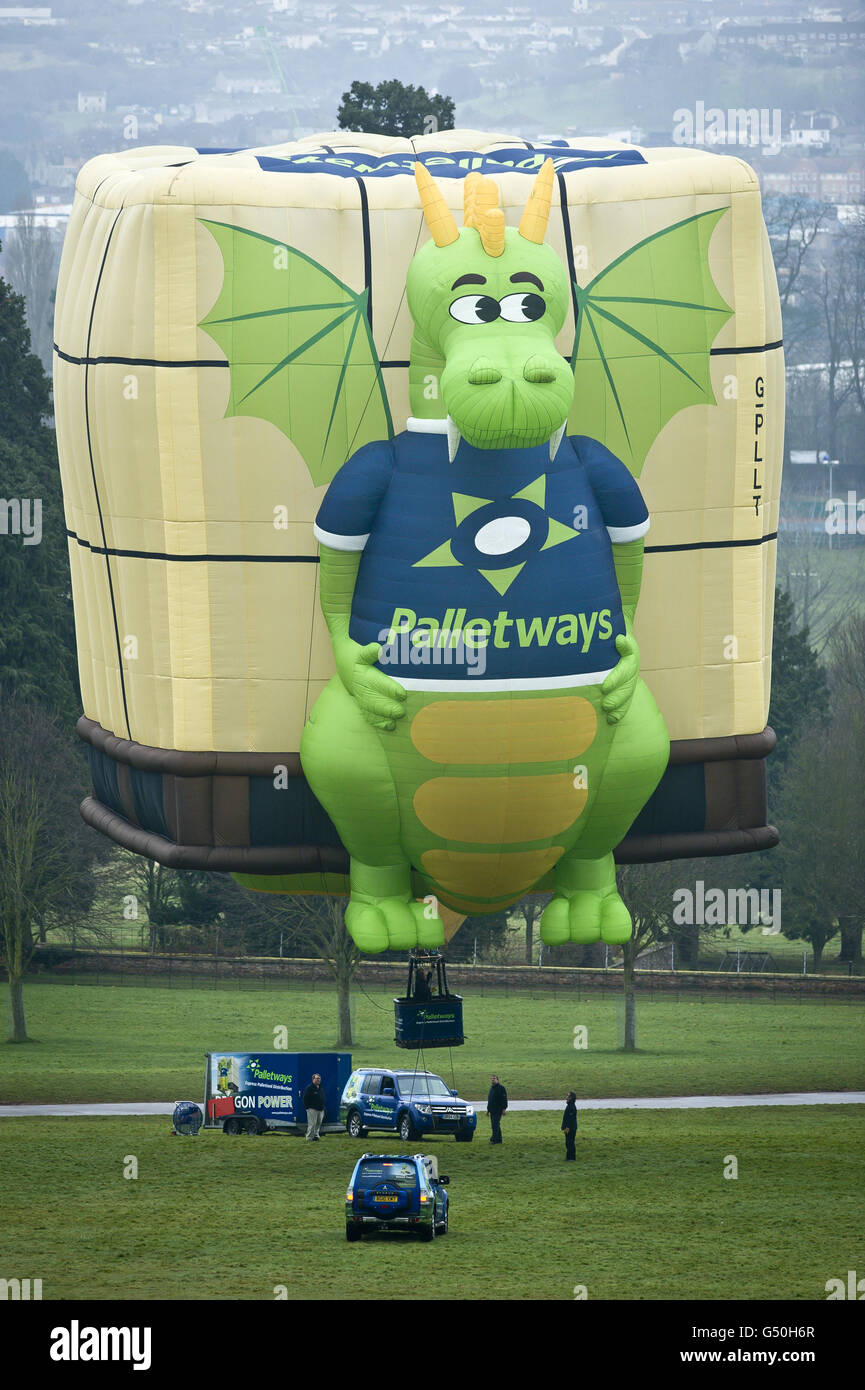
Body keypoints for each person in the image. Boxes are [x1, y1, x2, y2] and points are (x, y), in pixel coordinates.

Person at [303, 1073, 326, 1141]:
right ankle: (309, 1138)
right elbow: (305, 1098)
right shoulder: (309, 1088)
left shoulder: (320, 1088)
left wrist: (323, 1107)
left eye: (319, 1078)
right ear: (313, 1079)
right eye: (317, 1078)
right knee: (312, 1124)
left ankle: (316, 1136)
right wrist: (307, 1108)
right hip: (312, 1109)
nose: (318, 1080)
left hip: (321, 1109)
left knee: (318, 1124)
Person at [487, 1074, 508, 1145]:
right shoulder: (492, 1089)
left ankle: (494, 1140)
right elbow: (490, 1100)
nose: (492, 1080)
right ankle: (499, 1140)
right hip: (492, 1110)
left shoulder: (501, 1088)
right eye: (492, 1079)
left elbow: (504, 1099)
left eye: (494, 1078)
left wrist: (504, 1109)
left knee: (495, 1125)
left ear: (497, 1080)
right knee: (496, 1125)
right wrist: (488, 1110)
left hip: (498, 1110)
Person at [561, 1091, 578, 1161]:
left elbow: (570, 1119)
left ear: (571, 1098)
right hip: (569, 1128)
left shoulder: (572, 1107)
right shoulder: (569, 1105)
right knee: (568, 1143)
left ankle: (571, 1158)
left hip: (571, 1128)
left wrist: (567, 1127)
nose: (566, 1098)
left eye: (568, 1096)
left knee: (570, 1143)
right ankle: (569, 1157)